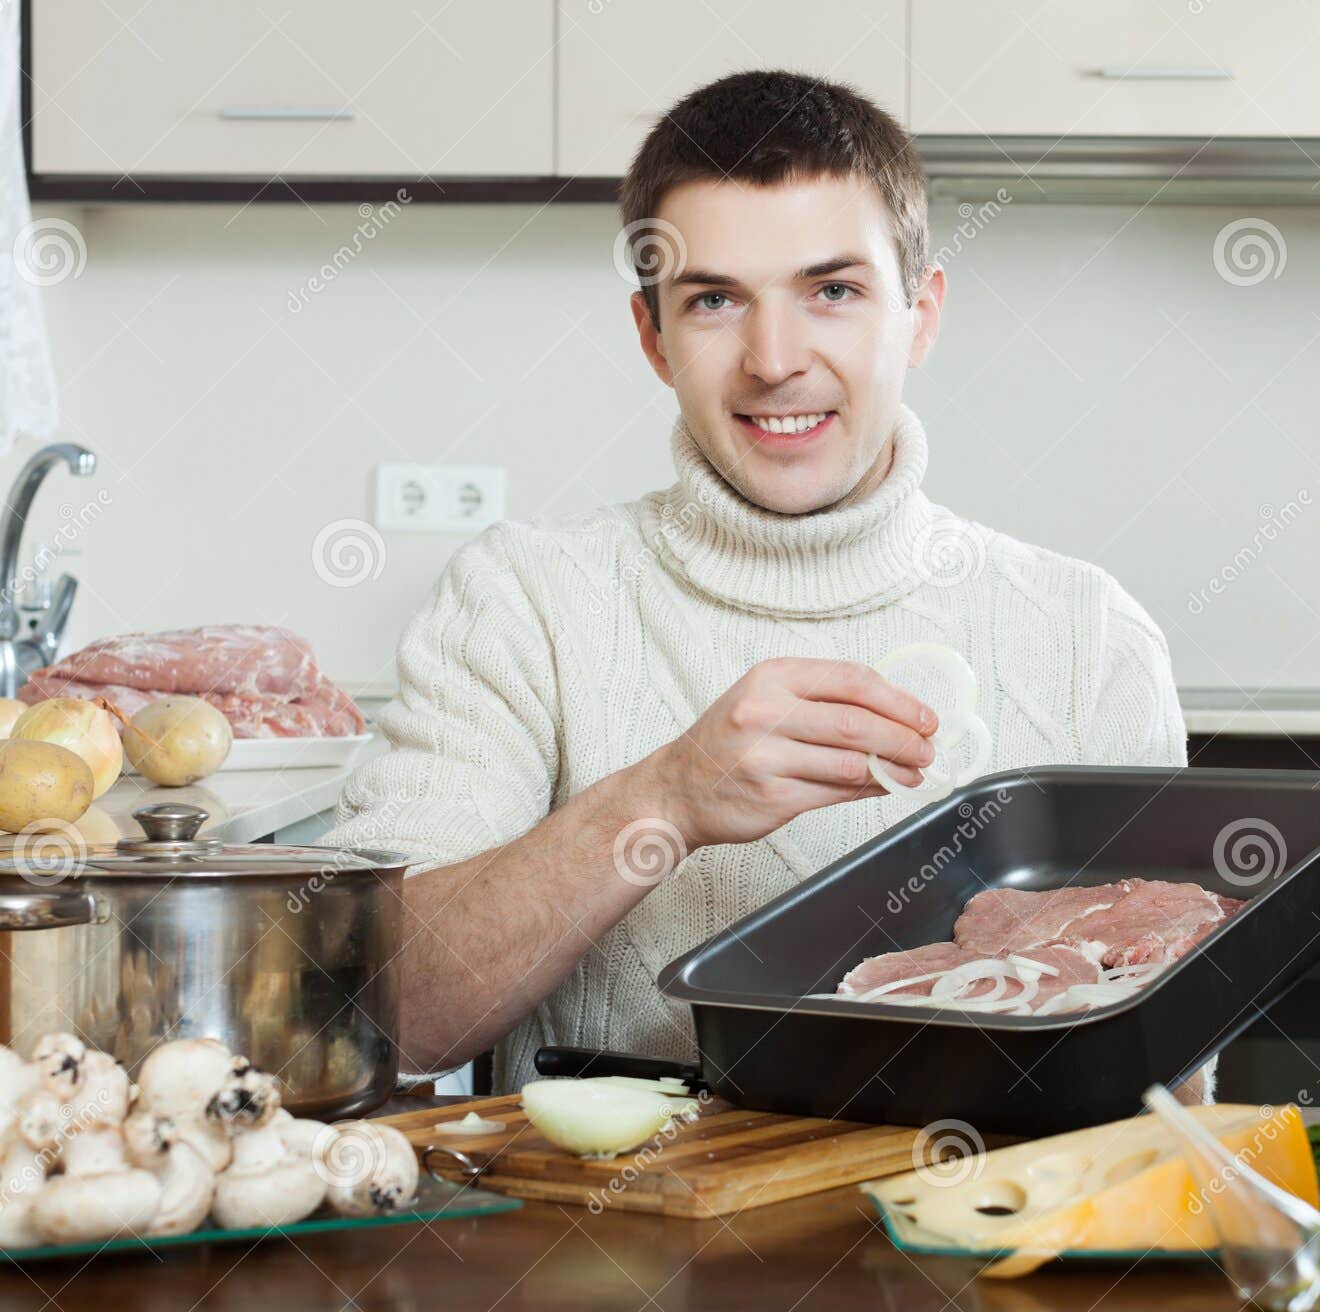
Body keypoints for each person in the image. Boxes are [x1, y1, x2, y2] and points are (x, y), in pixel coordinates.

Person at [321, 69, 1199, 1099]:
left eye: (833, 291)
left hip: (982, 1199)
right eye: (714, 300)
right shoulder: (519, 599)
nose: (774, 361)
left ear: (920, 314)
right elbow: (379, 1017)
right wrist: (663, 802)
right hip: (616, 1206)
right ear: (653, 337)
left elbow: (1169, 1083)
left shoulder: (1087, 634)